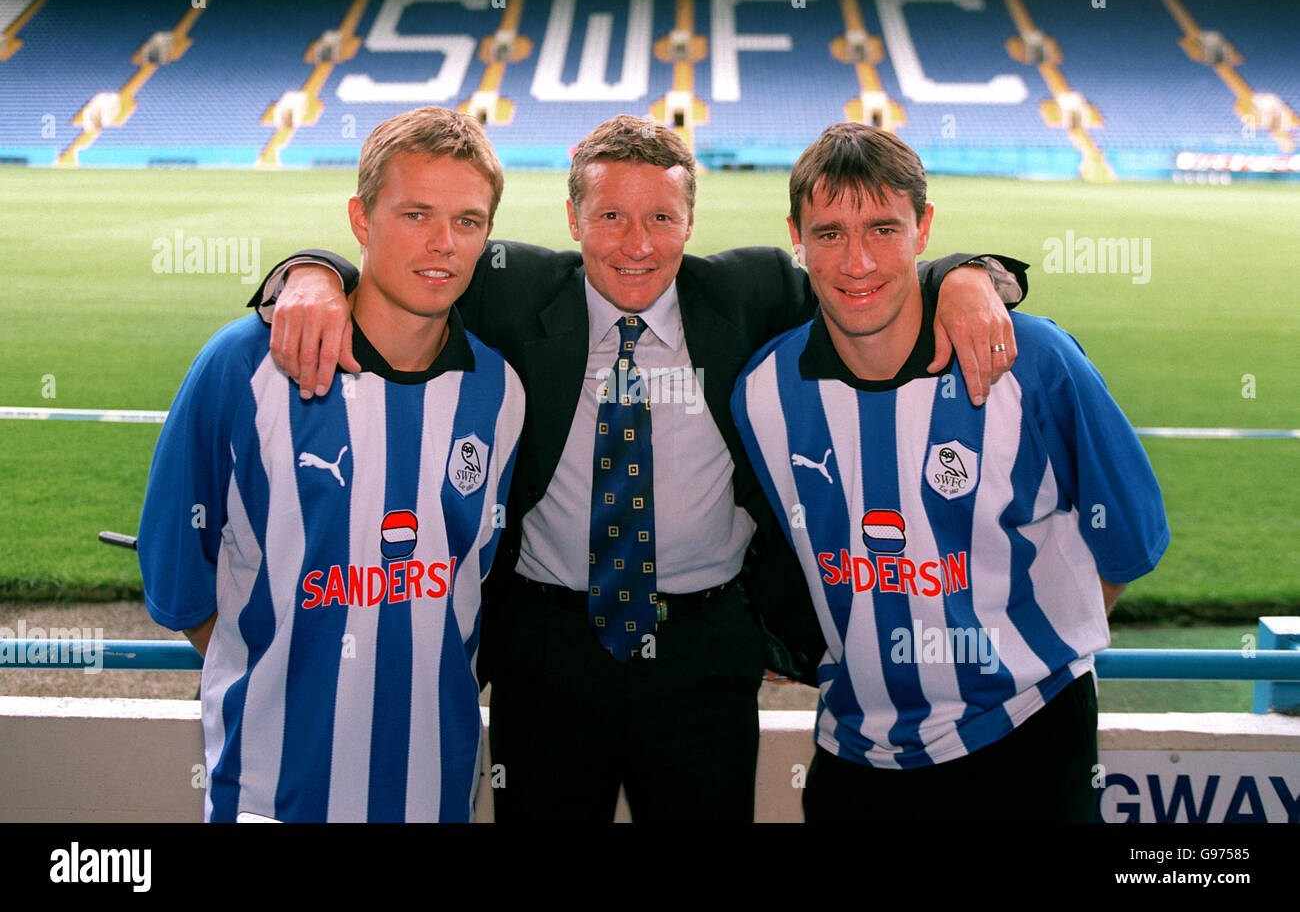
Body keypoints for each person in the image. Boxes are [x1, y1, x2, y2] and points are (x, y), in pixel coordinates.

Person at [247, 114, 1028, 822]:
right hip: (548, 652)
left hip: (704, 654)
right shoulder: (512, 289)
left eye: (661, 217)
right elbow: (407, 265)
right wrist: (310, 272)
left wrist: (965, 274)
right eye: (611, 216)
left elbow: (864, 275)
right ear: (572, 219)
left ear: (691, 221)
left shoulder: (748, 291)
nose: (637, 243)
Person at [731, 122, 1169, 822]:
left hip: (1028, 739)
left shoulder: (1034, 360)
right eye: (829, 233)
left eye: (883, 228)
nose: (857, 262)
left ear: (924, 227)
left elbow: (1128, 542)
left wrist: (1025, 657)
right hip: (856, 755)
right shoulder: (761, 391)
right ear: (796, 236)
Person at [138, 107, 525, 822]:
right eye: (415, 214)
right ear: (359, 218)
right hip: (270, 799)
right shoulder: (242, 367)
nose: (443, 244)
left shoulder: (500, 392)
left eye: (468, 222)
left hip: (434, 796)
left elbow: (475, 587)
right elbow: (180, 582)